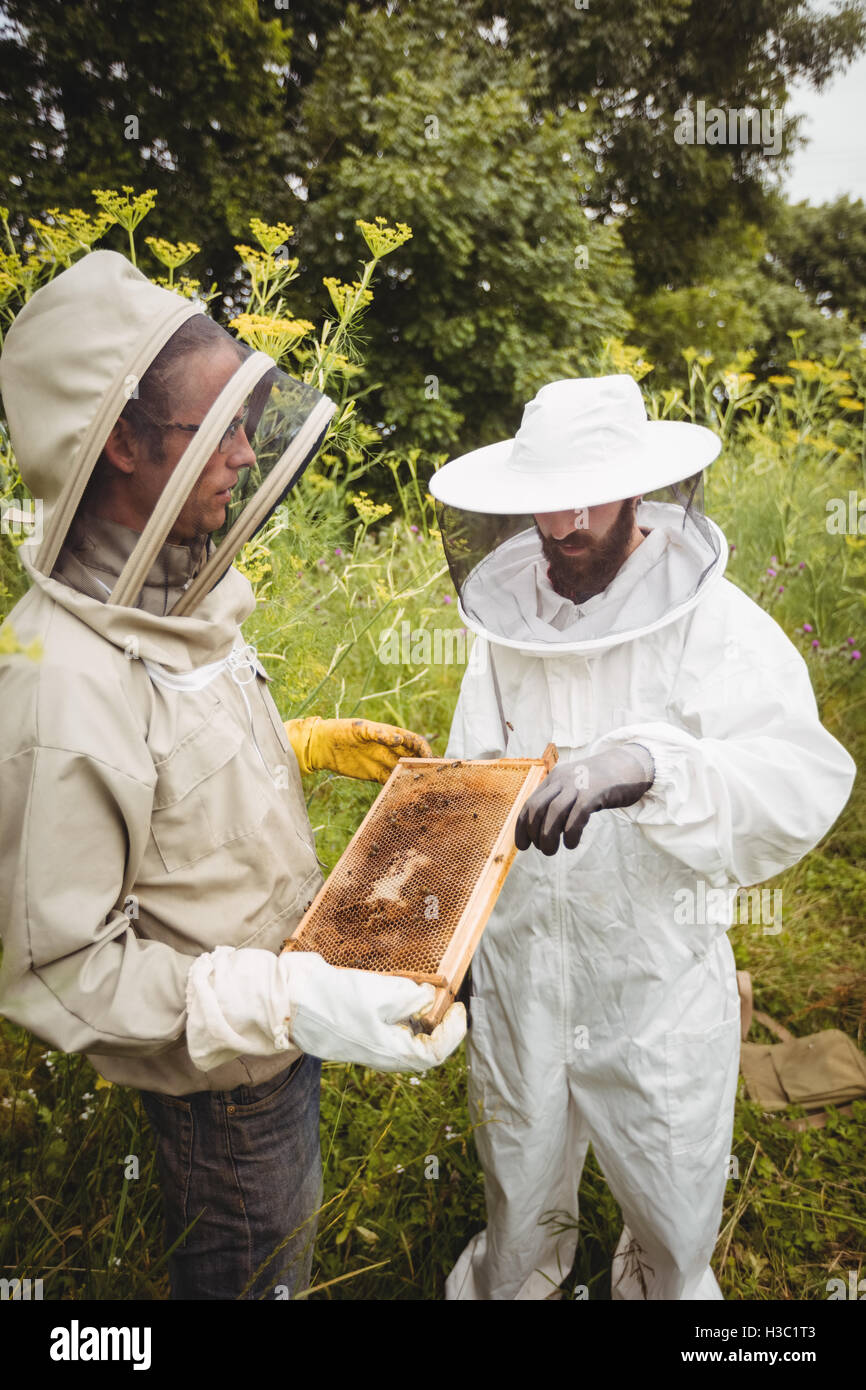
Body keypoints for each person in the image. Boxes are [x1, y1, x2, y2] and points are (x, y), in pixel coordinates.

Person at [0, 250, 465, 1301]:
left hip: (272, 1027)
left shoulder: (171, 594)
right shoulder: (54, 691)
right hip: (226, 1091)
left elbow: (160, 768)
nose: (247, 455)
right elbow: (57, 966)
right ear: (117, 441)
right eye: (215, 431)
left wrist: (296, 740)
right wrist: (285, 1000)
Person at [429, 374, 856, 1300]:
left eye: (587, 499)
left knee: (670, 1195)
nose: (562, 524)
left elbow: (802, 776)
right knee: (520, 1177)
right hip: (523, 968)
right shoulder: (505, 625)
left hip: (655, 972)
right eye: (544, 502)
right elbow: (472, 779)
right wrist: (443, 926)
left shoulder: (716, 622)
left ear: (637, 490)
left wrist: (653, 767)